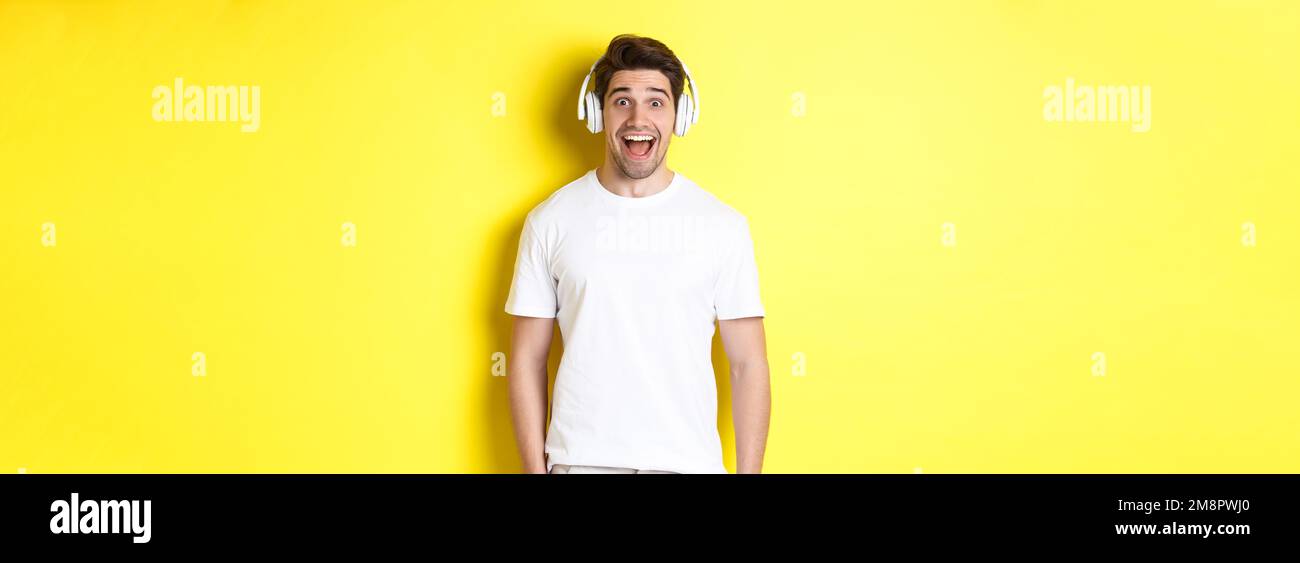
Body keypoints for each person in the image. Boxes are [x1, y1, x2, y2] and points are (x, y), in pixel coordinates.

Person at [505, 34, 770, 474]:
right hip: (582, 465)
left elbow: (748, 365)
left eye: (655, 101)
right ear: (597, 112)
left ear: (679, 115)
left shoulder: (723, 226)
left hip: (689, 466)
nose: (637, 118)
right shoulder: (549, 221)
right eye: (622, 100)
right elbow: (527, 361)